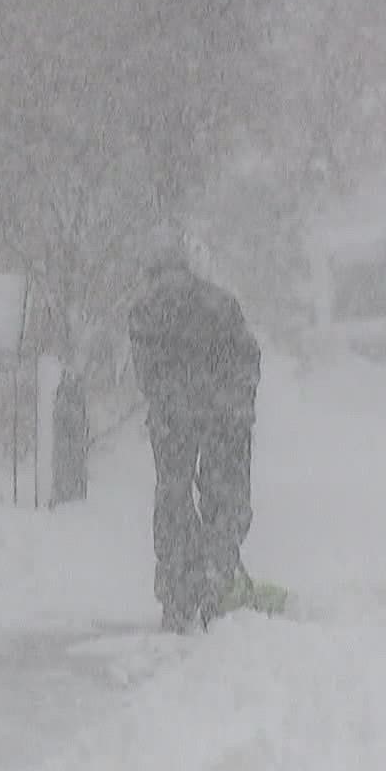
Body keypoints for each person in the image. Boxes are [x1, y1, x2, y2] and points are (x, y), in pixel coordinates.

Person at [127, 234, 261, 633]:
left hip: (173, 418)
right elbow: (247, 357)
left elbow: (148, 375)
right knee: (224, 494)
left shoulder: (143, 310)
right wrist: (235, 401)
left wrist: (175, 402)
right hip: (225, 414)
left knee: (173, 497)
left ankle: (177, 592)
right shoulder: (220, 303)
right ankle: (218, 576)